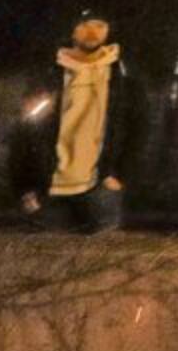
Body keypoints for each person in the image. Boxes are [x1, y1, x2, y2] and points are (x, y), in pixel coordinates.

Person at [10, 12, 146, 232]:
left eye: (100, 25)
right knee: (43, 251)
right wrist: (24, 186)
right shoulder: (49, 74)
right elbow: (25, 132)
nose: (93, 32)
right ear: (72, 30)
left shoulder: (123, 77)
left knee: (103, 253)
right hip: (49, 189)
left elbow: (138, 129)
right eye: (84, 25)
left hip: (100, 189)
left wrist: (120, 175)